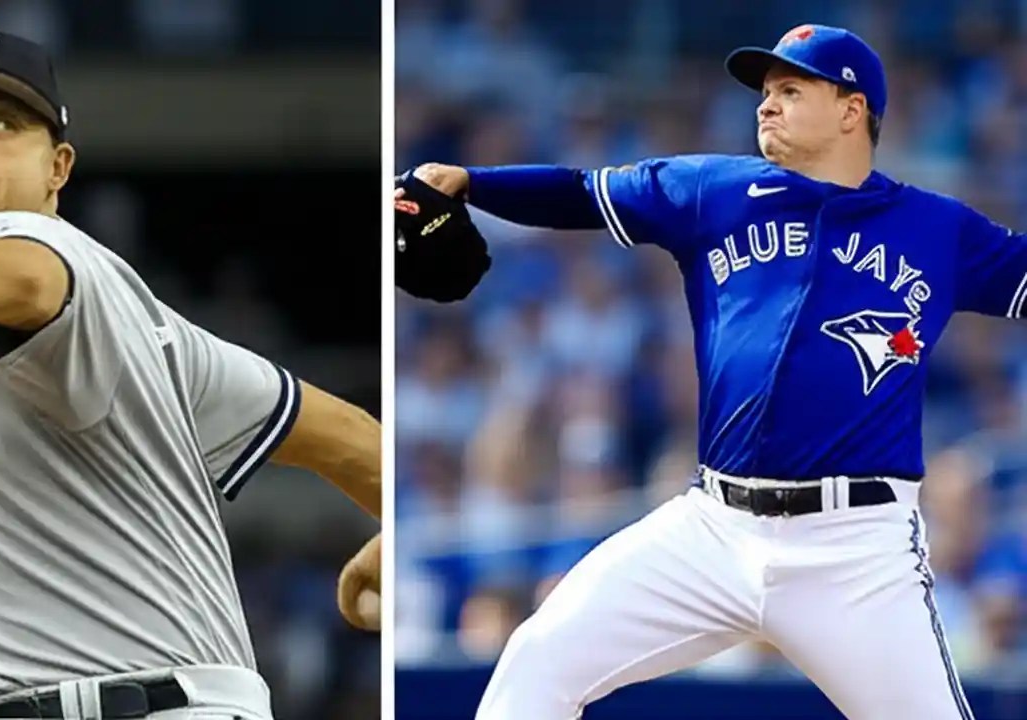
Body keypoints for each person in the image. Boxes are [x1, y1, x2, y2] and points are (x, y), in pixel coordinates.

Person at [0, 26, 381, 720]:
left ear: (58, 167)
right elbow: (345, 433)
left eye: (0, 124)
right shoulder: (148, 330)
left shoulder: (48, 254)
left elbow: (19, 281)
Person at [404, 23, 1008, 719]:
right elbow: (578, 191)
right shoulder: (712, 191)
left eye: (790, 89)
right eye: (764, 92)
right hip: (713, 529)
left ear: (852, 110)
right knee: (538, 659)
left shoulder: (937, 228)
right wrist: (469, 181)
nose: (765, 105)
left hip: (856, 553)